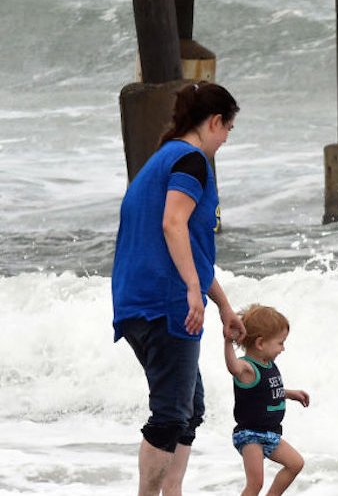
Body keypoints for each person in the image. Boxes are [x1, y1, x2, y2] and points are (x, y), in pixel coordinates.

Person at [111, 81, 245, 496]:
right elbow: (174, 224)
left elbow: (192, 247)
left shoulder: (163, 160)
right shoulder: (191, 161)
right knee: (170, 415)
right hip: (166, 304)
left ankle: (172, 493)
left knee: (189, 407)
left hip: (139, 301)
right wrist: (191, 289)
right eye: (227, 130)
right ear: (215, 121)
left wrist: (223, 305)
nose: (225, 140)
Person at [225, 304, 310, 496]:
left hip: (270, 433)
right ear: (261, 343)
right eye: (280, 343)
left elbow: (268, 390)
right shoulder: (247, 368)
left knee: (296, 463)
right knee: (255, 483)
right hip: (250, 434)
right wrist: (227, 342)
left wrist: (290, 393)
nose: (283, 348)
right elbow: (233, 367)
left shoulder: (268, 364)